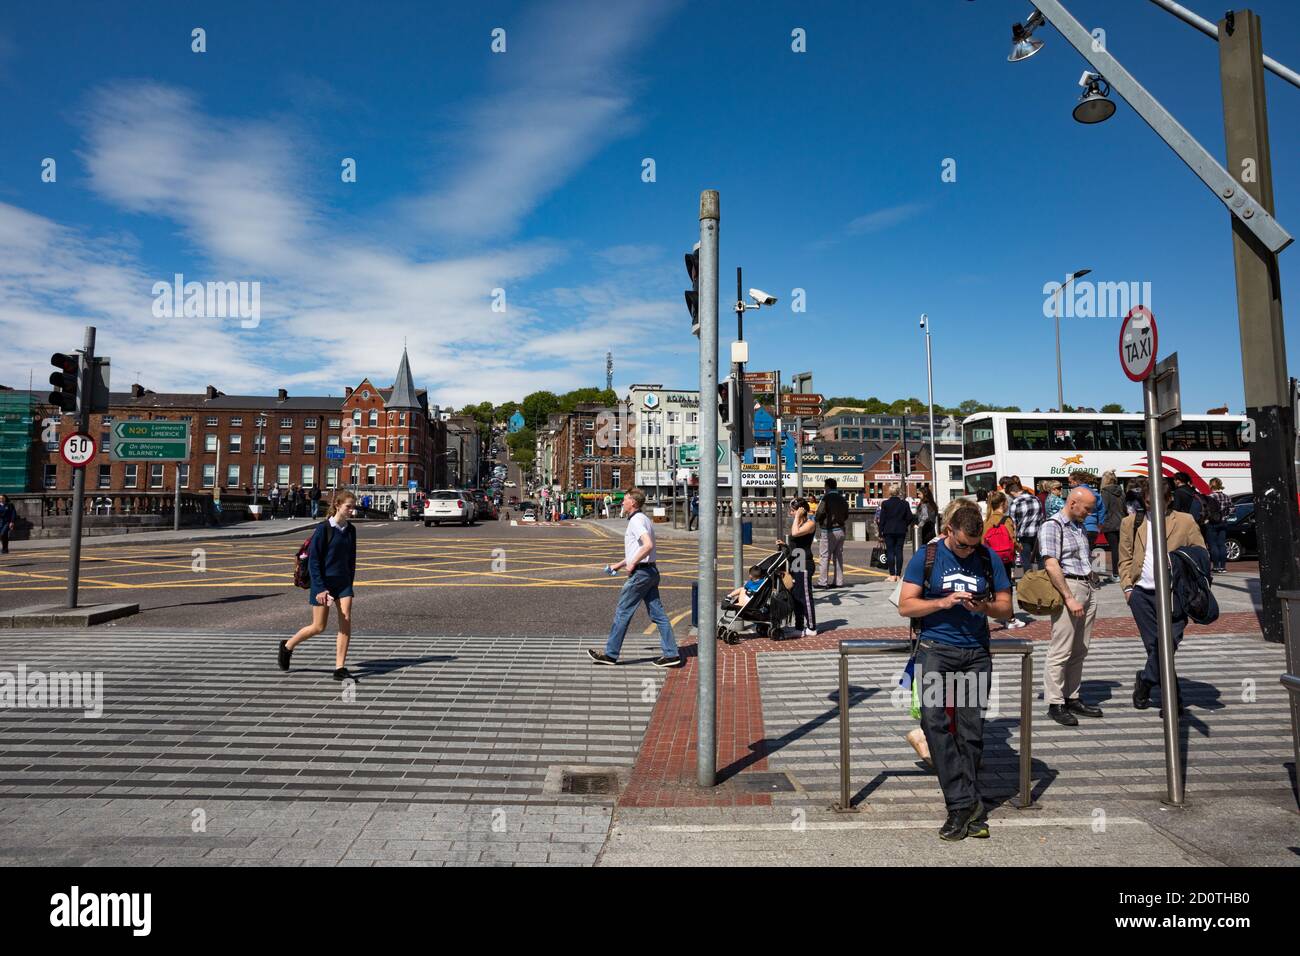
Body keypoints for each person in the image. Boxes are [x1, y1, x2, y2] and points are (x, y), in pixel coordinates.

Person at [897, 505, 1011, 841]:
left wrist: (985, 606)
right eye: (962, 545)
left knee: (970, 731)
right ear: (949, 530)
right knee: (934, 722)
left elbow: (1006, 607)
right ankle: (965, 804)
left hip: (975, 653)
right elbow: (906, 605)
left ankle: (963, 807)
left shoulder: (988, 558)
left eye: (973, 546)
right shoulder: (926, 556)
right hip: (935, 650)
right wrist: (942, 603)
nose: (967, 551)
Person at [1119, 482, 1205, 716]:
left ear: (1169, 500)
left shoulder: (1184, 521)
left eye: (1158, 501)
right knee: (1155, 647)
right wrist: (1128, 588)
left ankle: (1145, 681)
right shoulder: (1131, 522)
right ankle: (1172, 700)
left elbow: (1201, 553)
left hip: (1174, 595)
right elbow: (1124, 557)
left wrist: (1179, 563)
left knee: (1167, 645)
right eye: (1148, 502)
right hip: (1142, 594)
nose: (1152, 506)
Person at [588, 489, 681, 667]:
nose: (622, 502)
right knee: (659, 615)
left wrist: (632, 565)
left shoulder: (636, 521)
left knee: (622, 613)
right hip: (651, 572)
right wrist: (619, 565)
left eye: (625, 499)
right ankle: (671, 654)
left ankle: (610, 655)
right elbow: (637, 549)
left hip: (640, 574)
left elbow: (648, 545)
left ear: (633, 503)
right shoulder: (644, 519)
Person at [279, 489, 359, 681]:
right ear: (338, 505)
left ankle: (340, 667)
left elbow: (351, 560)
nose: (351, 511)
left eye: (353, 508)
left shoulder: (351, 530)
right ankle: (288, 646)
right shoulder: (324, 529)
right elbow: (314, 562)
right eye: (349, 507)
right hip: (323, 583)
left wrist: (349, 582)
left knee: (346, 619)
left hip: (343, 583)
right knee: (318, 626)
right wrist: (321, 588)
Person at [1038, 486, 1102, 726]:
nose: (1089, 513)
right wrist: (1068, 597)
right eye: (1086, 508)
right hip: (1070, 587)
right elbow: (1052, 564)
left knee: (1080, 648)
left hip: (1087, 585)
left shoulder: (1078, 525)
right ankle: (1055, 702)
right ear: (1073, 502)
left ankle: (1072, 696)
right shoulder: (1052, 526)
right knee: (1061, 648)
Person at [778, 498, 818, 638]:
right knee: (796, 596)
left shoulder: (810, 523)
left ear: (801, 510)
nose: (791, 512)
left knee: (805, 596)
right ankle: (799, 627)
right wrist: (785, 545)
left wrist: (797, 516)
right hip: (796, 561)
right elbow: (796, 543)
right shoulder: (798, 523)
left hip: (805, 562)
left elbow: (795, 534)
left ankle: (812, 627)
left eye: (793, 510)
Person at [983, 491, 1023, 629]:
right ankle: (1010, 618)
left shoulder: (987, 521)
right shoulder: (1006, 520)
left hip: (990, 558)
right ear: (1003, 504)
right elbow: (1012, 540)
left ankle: (998, 612)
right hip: (1004, 559)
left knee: (993, 587)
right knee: (1006, 588)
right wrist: (1019, 547)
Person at [877, 483, 915, 583]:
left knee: (890, 552)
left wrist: (880, 533)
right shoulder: (905, 503)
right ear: (899, 492)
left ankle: (892, 575)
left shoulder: (885, 503)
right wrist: (904, 524)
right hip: (901, 530)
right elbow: (910, 518)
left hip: (888, 530)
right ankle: (898, 575)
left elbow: (882, 519)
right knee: (899, 552)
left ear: (890, 492)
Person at [816, 477, 850, 588]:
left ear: (827, 487)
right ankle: (838, 582)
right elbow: (846, 515)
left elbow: (819, 512)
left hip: (828, 530)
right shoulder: (842, 498)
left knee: (825, 556)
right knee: (838, 556)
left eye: (825, 486)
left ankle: (822, 582)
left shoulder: (826, 498)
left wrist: (817, 519)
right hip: (841, 529)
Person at [1007, 478, 1044, 574]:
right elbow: (1041, 517)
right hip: (1038, 534)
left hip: (1023, 535)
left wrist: (1013, 538)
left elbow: (1012, 522)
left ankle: (1029, 580)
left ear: (1012, 492)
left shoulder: (1015, 502)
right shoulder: (1036, 498)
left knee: (1026, 559)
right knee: (1040, 558)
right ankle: (1043, 579)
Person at [1068, 470, 1106, 548]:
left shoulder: (1075, 493)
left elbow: (1070, 510)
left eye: (1070, 482)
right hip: (1093, 528)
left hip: (1077, 528)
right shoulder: (1095, 494)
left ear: (1076, 482)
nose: (1070, 484)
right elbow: (1102, 510)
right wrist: (1100, 525)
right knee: (1089, 552)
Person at [1099, 471, 1125, 582]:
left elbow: (1103, 508)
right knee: (1121, 549)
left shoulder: (1105, 492)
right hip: (1122, 522)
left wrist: (1100, 523)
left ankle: (1115, 574)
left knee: (1114, 548)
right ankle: (1122, 572)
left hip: (1110, 523)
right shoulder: (1121, 492)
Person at [1204, 477, 1232, 573]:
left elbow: (1206, 510)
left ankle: (1216, 566)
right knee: (1222, 545)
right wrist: (1225, 516)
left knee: (1213, 545)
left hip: (1212, 523)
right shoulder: (1226, 496)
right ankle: (1223, 567)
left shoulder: (1210, 497)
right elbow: (1232, 509)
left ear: (1211, 485)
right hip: (1223, 522)